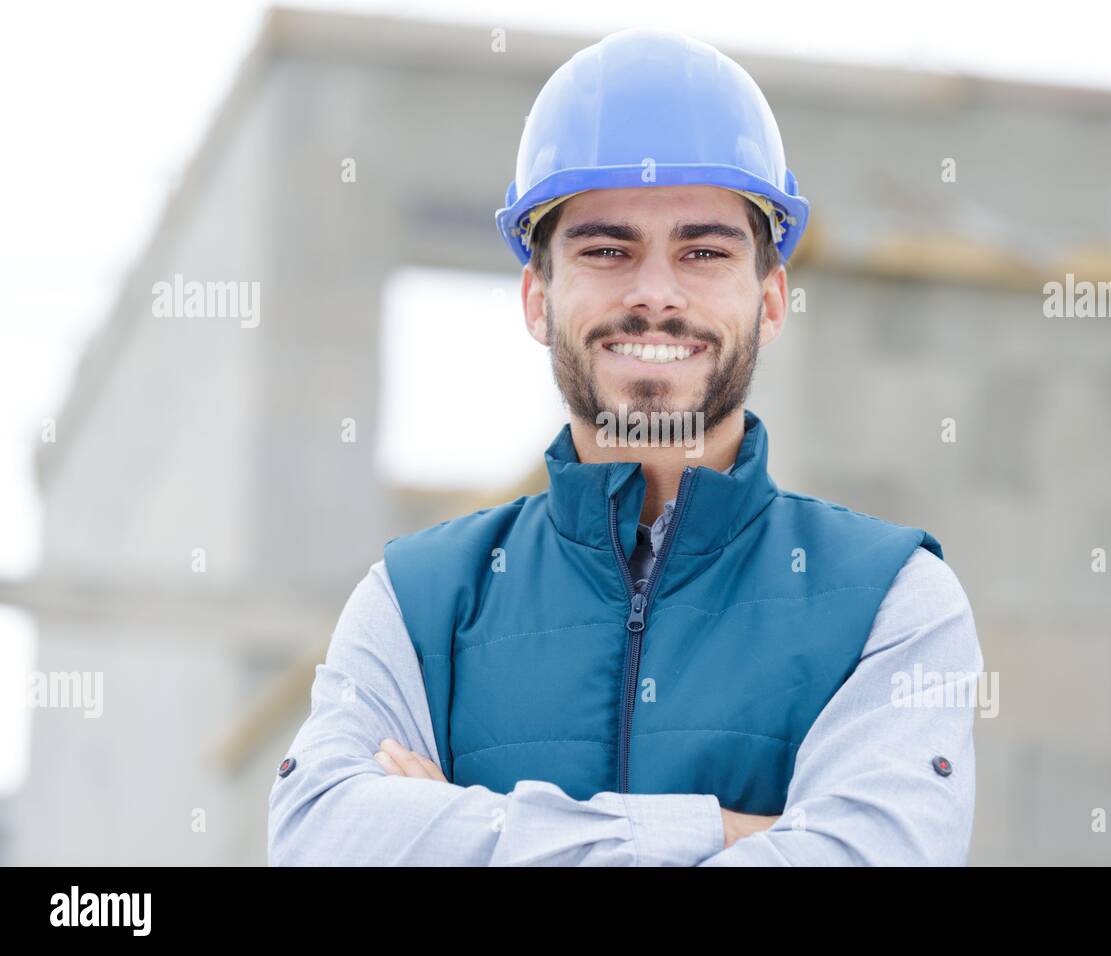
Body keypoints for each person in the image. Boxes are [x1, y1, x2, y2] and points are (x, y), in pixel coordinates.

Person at [268, 27, 982, 866]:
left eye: (704, 251)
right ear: (537, 298)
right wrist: (720, 831)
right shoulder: (417, 601)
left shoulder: (892, 601)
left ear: (773, 301)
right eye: (607, 249)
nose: (655, 294)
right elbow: (322, 841)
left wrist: (462, 827)